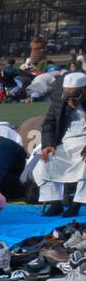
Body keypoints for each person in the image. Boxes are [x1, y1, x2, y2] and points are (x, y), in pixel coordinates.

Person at [36, 71, 86, 215]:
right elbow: (48, 124)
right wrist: (48, 144)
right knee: (47, 159)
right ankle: (55, 203)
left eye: (75, 98)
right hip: (66, 142)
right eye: (67, 98)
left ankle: (76, 205)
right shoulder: (60, 100)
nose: (71, 102)